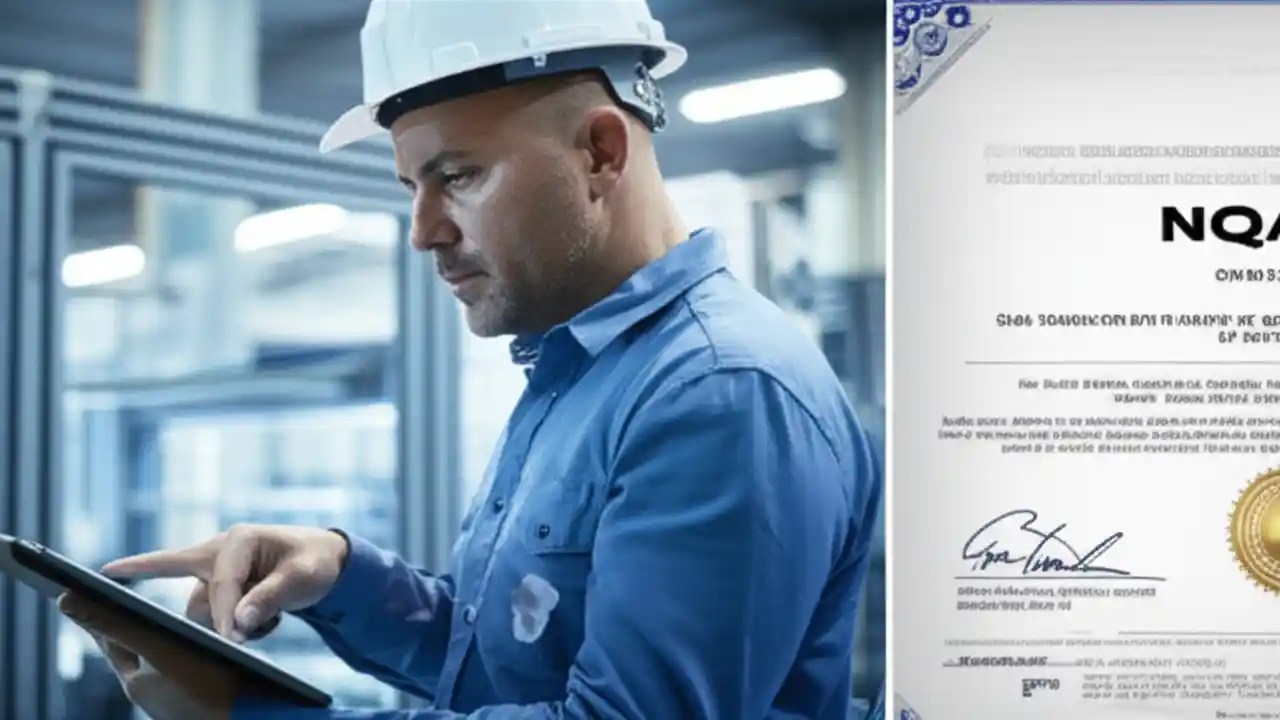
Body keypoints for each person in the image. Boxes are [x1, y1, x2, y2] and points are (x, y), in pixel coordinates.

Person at [56, 1, 883, 718]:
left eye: (457, 176)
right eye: (413, 186)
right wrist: (341, 577)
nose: (423, 231)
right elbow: (504, 662)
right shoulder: (580, 371)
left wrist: (252, 718)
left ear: (600, 152)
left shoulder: (718, 391)